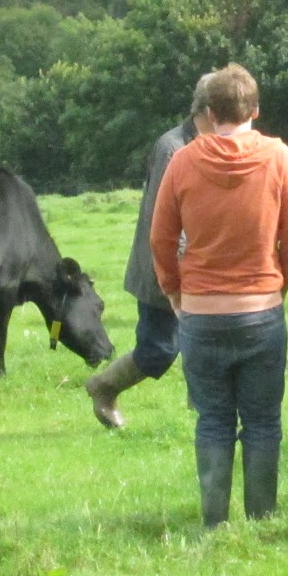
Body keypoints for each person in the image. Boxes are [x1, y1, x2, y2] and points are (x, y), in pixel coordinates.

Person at [151, 64, 288, 527]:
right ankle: (263, 520)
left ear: (209, 111)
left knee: (213, 421)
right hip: (261, 309)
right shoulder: (279, 158)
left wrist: (175, 294)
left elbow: (161, 239)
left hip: (200, 313)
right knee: (263, 422)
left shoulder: (182, 161)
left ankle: (214, 523)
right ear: (255, 110)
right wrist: (276, 284)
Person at [85, 71, 213, 429]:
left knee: (199, 342)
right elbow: (165, 218)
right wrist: (181, 270)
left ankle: (203, 421)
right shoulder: (172, 148)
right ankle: (102, 387)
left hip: (192, 267)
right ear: (207, 110)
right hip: (163, 268)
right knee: (159, 350)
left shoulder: (206, 145)